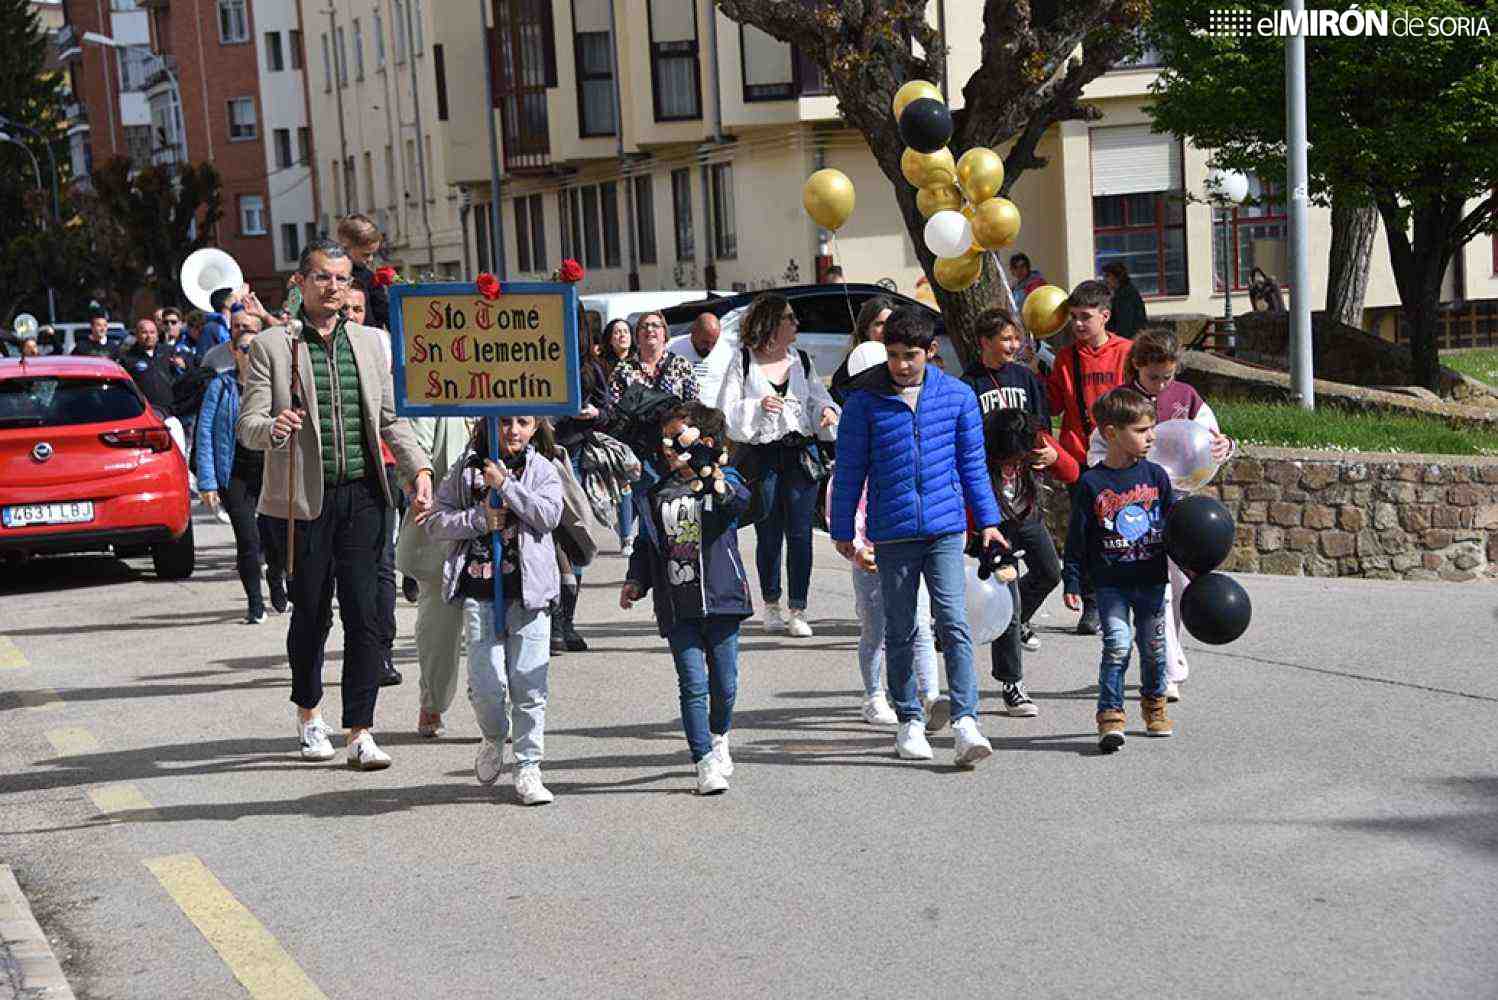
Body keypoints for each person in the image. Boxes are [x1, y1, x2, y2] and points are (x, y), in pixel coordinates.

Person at [236, 238, 433, 772]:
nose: (334, 287)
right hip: (303, 503)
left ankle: (360, 731)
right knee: (313, 613)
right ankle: (309, 714)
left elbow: (390, 418)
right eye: (323, 277)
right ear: (300, 282)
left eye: (342, 278)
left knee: (367, 614)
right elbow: (248, 425)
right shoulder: (273, 346)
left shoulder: (370, 343)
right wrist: (273, 427)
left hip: (365, 495)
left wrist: (418, 469)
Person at [830, 307, 1003, 768]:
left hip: (945, 528)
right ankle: (909, 718)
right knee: (902, 626)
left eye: (911, 355)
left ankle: (966, 721)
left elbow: (973, 465)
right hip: (893, 531)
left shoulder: (958, 396)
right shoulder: (864, 403)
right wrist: (843, 530)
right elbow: (849, 470)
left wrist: (988, 520)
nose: (902, 365)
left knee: (953, 622)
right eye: (893, 355)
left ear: (930, 351)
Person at [1085, 328, 1234, 702]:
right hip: (1137, 508)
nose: (1163, 384)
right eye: (1155, 377)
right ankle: (1167, 670)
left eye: (1168, 376)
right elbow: (1096, 452)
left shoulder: (1186, 396)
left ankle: (1166, 657)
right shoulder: (1120, 403)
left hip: (1181, 506)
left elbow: (1212, 439)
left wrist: (1226, 446)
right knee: (1160, 589)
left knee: (1182, 586)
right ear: (1137, 365)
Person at [421, 416, 562, 805]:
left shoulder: (542, 468)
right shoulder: (466, 469)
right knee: (487, 684)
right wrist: (479, 519)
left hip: (529, 595)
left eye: (522, 423)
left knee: (529, 684)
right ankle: (493, 734)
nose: (512, 430)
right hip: (480, 593)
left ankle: (528, 765)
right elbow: (436, 522)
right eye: (505, 422)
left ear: (535, 427)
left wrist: (507, 487)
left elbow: (549, 515)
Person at [621, 401, 752, 796]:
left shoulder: (725, 478)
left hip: (722, 599)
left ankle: (719, 735)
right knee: (693, 683)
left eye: (676, 439)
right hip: (678, 604)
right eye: (664, 440)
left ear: (703, 442)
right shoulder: (657, 492)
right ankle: (703, 761)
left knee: (724, 684)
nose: (667, 447)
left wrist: (711, 476)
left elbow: (737, 504)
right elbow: (647, 544)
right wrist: (636, 580)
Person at [1062, 387, 1177, 751]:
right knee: (1117, 646)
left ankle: (1154, 704)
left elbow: (1176, 527)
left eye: (1152, 428)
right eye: (1142, 430)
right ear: (1111, 433)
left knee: (1154, 648)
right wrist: (1072, 580)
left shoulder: (1157, 477)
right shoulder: (1091, 483)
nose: (1151, 436)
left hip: (1151, 580)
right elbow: (1077, 537)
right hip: (1110, 583)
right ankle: (1110, 716)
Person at [718, 294, 838, 639]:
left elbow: (818, 399)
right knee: (768, 530)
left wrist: (826, 412)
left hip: (800, 454)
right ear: (770, 323)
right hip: (762, 456)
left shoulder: (801, 360)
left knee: (801, 534)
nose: (796, 323)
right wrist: (757, 406)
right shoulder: (743, 361)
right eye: (789, 318)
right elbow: (726, 411)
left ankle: (798, 609)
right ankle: (771, 604)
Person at [834, 341, 941, 727]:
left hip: (908, 543)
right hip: (870, 555)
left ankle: (931, 696)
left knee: (920, 625)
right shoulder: (856, 428)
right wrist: (855, 548)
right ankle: (874, 695)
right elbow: (841, 497)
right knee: (876, 631)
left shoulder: (906, 425)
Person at [976, 408, 1077, 714]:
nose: (1011, 465)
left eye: (1016, 460)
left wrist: (1055, 458)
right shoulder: (976, 450)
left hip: (1028, 519)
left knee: (1050, 573)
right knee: (1009, 602)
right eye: (1005, 460)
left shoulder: (1037, 440)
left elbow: (1072, 472)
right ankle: (1012, 684)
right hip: (994, 528)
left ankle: (1017, 620)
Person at [1047, 279, 1132, 636]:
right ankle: (1092, 602)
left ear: (1105, 316)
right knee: (1086, 531)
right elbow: (1053, 405)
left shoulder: (1126, 352)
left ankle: (1124, 594)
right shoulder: (1066, 358)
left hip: (1118, 455)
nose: (1078, 324)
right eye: (1074, 317)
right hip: (1078, 455)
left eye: (1085, 317)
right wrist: (1035, 373)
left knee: (1122, 528)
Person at [198, 315, 288, 623]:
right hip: (234, 473)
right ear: (234, 353)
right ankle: (254, 603)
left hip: (270, 472)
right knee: (248, 541)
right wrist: (208, 482)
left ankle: (276, 577)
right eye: (245, 349)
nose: (251, 355)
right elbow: (205, 432)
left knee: (275, 539)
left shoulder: (275, 386)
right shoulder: (220, 387)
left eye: (256, 349)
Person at [396, 416, 472, 736]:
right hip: (444, 528)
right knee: (439, 625)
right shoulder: (438, 395)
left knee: (504, 622)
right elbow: (416, 446)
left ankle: (500, 706)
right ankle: (433, 702)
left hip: (503, 525)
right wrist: (417, 481)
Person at [346, 282, 405, 688]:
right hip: (334, 475)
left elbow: (394, 413)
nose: (351, 315)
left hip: (381, 467)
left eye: (358, 308)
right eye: (345, 309)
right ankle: (360, 645)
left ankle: (382, 651)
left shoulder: (378, 345)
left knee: (383, 562)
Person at [607, 310, 699, 528]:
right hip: (638, 454)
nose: (650, 330)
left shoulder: (681, 366)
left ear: (665, 334)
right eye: (644, 326)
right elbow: (613, 410)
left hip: (673, 455)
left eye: (655, 325)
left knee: (670, 518)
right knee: (644, 519)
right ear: (637, 335)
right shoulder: (624, 370)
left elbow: (694, 408)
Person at [551, 319, 609, 653]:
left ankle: (566, 621)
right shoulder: (538, 356)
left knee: (575, 534)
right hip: (541, 454)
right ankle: (553, 621)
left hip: (574, 458)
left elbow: (608, 412)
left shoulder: (592, 367)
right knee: (547, 540)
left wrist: (593, 412)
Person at [961, 306, 1048, 420]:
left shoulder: (1026, 378)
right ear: (986, 342)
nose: (1015, 346)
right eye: (1006, 339)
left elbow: (1042, 421)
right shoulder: (969, 384)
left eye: (1017, 338)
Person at [830, 296, 894, 405]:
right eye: (880, 324)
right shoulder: (855, 363)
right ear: (866, 329)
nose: (886, 329)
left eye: (890, 323)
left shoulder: (902, 360)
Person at [338, 213, 390, 331]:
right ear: (346, 247)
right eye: (365, 254)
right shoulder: (332, 276)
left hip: (368, 336)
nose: (370, 259)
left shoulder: (370, 278)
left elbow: (384, 312)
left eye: (373, 254)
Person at [119, 317, 179, 413]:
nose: (149, 336)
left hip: (170, 410)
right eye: (144, 332)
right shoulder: (127, 358)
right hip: (144, 412)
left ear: (157, 334)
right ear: (137, 335)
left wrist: (183, 364)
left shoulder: (168, 351)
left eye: (152, 332)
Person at [666, 313, 726, 405]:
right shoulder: (670, 349)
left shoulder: (725, 351)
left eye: (713, 343)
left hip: (714, 410)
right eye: (705, 342)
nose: (709, 348)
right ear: (694, 333)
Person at [1103, 262, 1148, 339]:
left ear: (1117, 278)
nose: (1105, 280)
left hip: (1129, 340)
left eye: (1107, 276)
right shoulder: (1121, 293)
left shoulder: (1125, 295)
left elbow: (1125, 325)